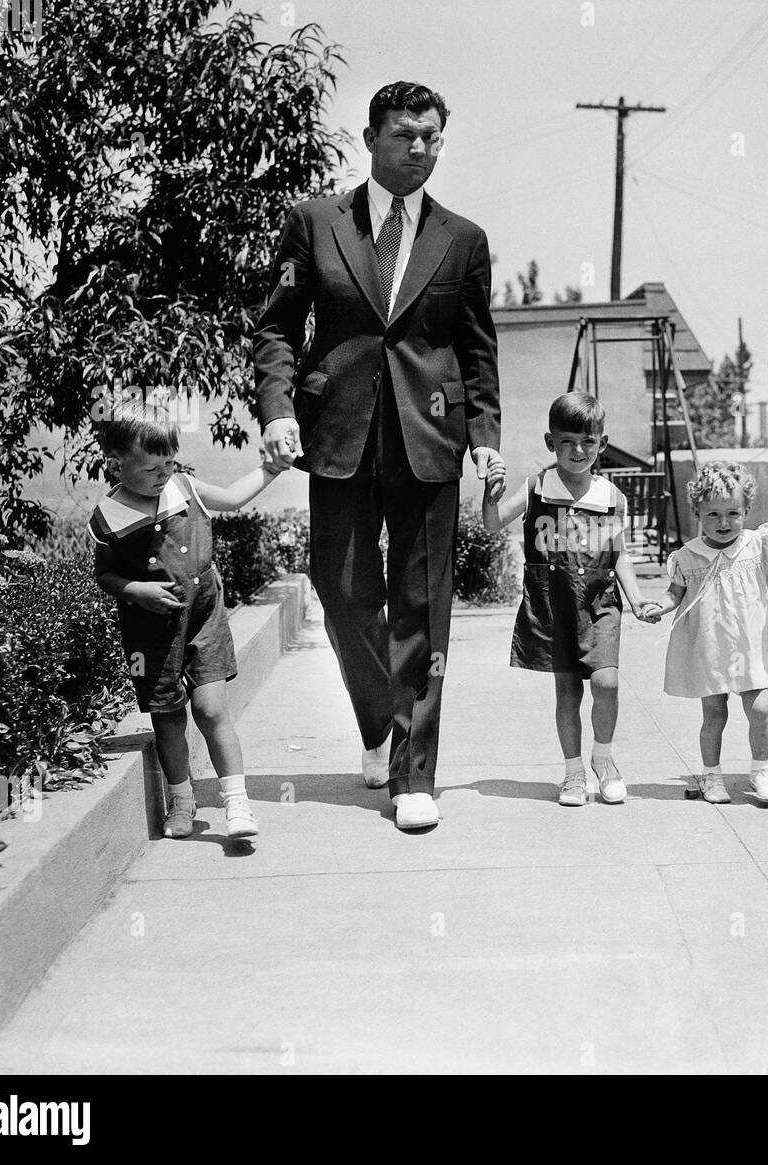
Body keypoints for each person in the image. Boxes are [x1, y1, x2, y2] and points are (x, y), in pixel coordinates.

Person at [253, 81, 501, 831]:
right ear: (369, 139)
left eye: (432, 136)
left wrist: (486, 440)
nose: (420, 149)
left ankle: (413, 772)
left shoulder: (463, 239)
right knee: (344, 592)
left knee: (424, 609)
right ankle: (378, 719)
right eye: (404, 135)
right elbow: (276, 329)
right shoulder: (315, 222)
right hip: (339, 435)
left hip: (431, 438)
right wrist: (274, 410)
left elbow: (477, 352)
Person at [89, 399, 289, 840]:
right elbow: (104, 574)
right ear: (116, 463)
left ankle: (237, 803)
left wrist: (271, 469)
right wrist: (135, 590)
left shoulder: (184, 486)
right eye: (150, 469)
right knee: (168, 717)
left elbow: (234, 498)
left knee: (211, 707)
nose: (162, 475)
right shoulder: (108, 517)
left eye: (168, 464)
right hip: (150, 633)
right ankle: (181, 800)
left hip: (203, 617)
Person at [482, 393, 649, 807]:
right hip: (554, 603)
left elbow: (620, 555)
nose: (578, 451)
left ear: (603, 444)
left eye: (588, 442)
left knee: (607, 684)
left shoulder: (612, 496)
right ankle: (573, 773)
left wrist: (639, 598)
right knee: (568, 691)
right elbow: (493, 523)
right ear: (549, 442)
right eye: (567, 441)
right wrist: (491, 495)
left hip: (599, 603)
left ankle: (604, 760)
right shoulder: (537, 486)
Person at [640, 462, 768, 804]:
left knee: (760, 710)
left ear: (747, 510)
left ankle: (760, 771)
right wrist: (659, 606)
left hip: (748, 647)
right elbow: (675, 592)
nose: (723, 522)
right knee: (714, 714)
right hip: (710, 648)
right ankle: (711, 775)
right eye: (713, 514)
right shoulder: (688, 556)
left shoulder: (756, 544)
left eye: (733, 512)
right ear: (697, 512)